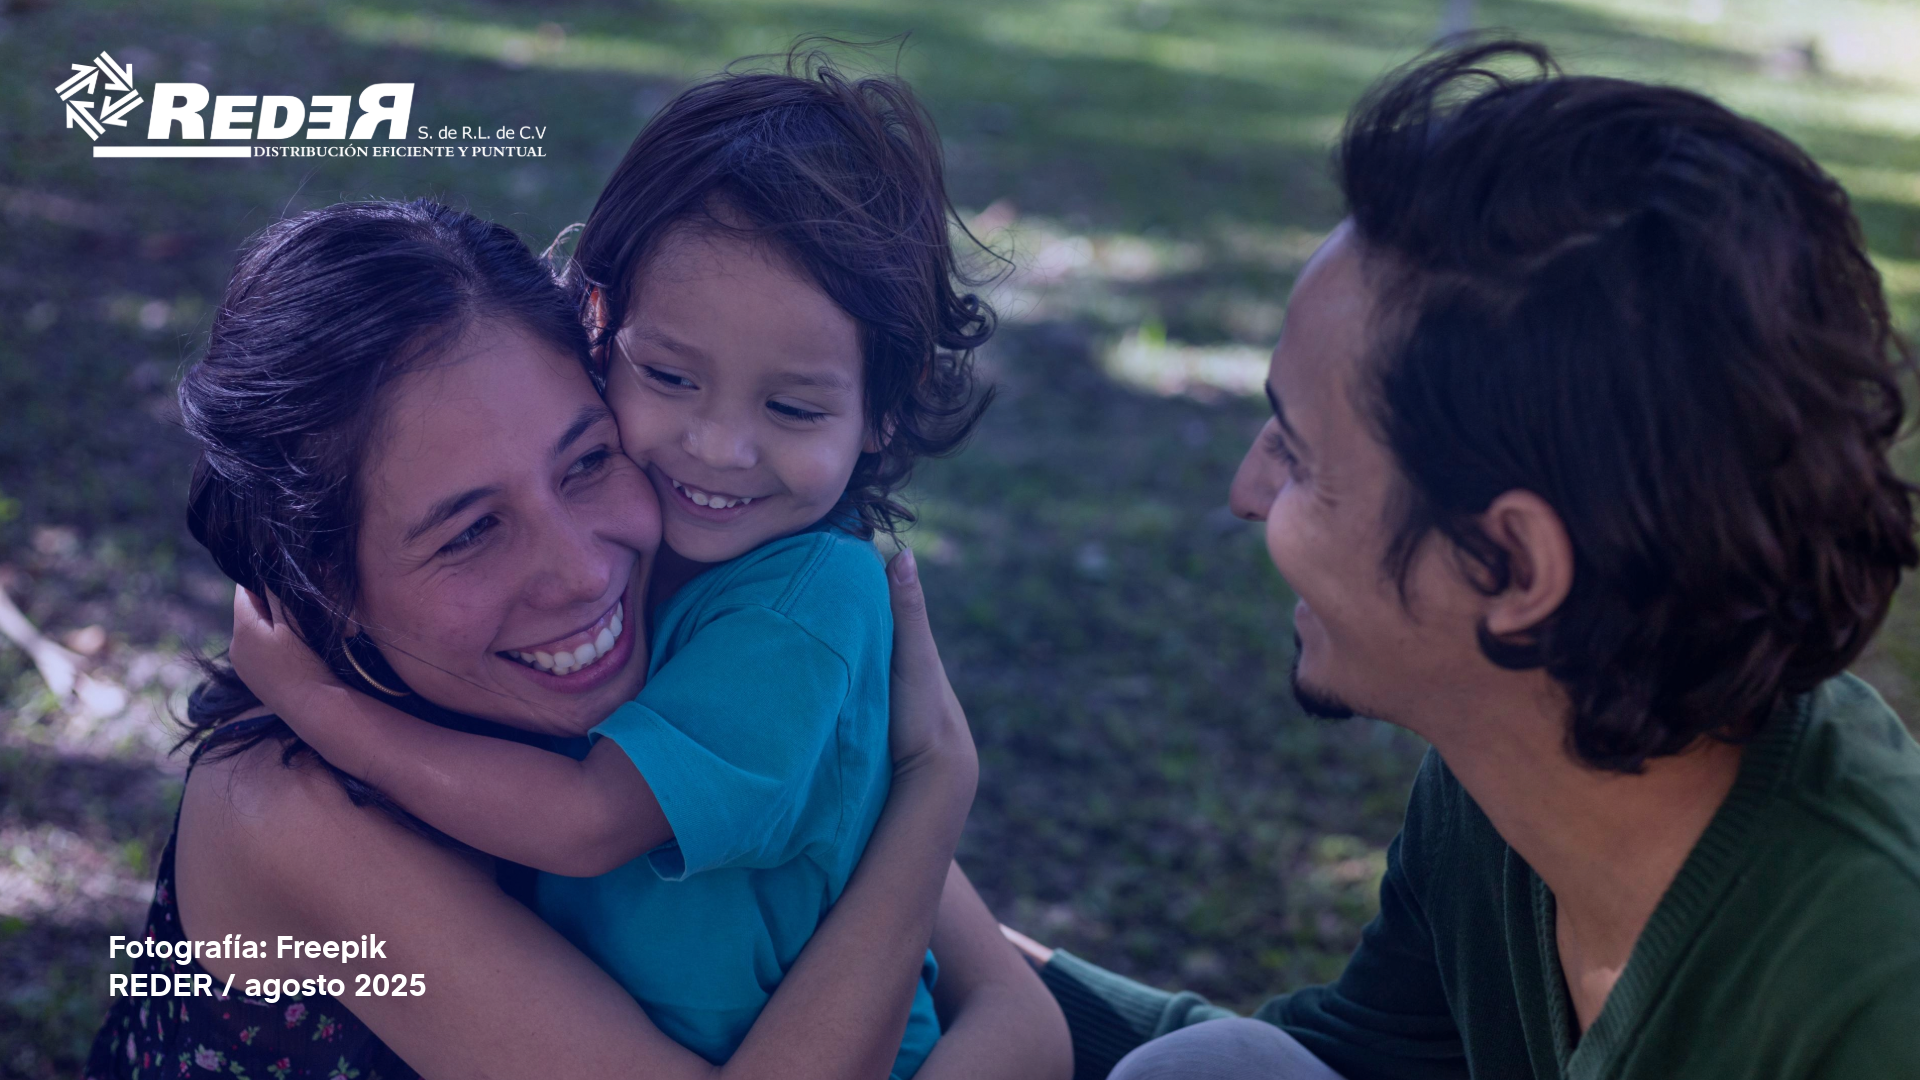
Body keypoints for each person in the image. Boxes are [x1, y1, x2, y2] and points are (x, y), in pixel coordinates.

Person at [1017, 39, 1920, 1080]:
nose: (1247, 492)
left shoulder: (1872, 993)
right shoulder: (1510, 775)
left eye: (1300, 459)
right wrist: (921, 912)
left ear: (1513, 568)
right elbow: (1320, 1065)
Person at [86, 198, 1068, 1080]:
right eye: (470, 531)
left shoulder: (694, 635)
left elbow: (1020, 1015)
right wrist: (933, 789)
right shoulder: (294, 809)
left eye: (588, 460)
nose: (586, 572)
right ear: (324, 588)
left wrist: (926, 794)